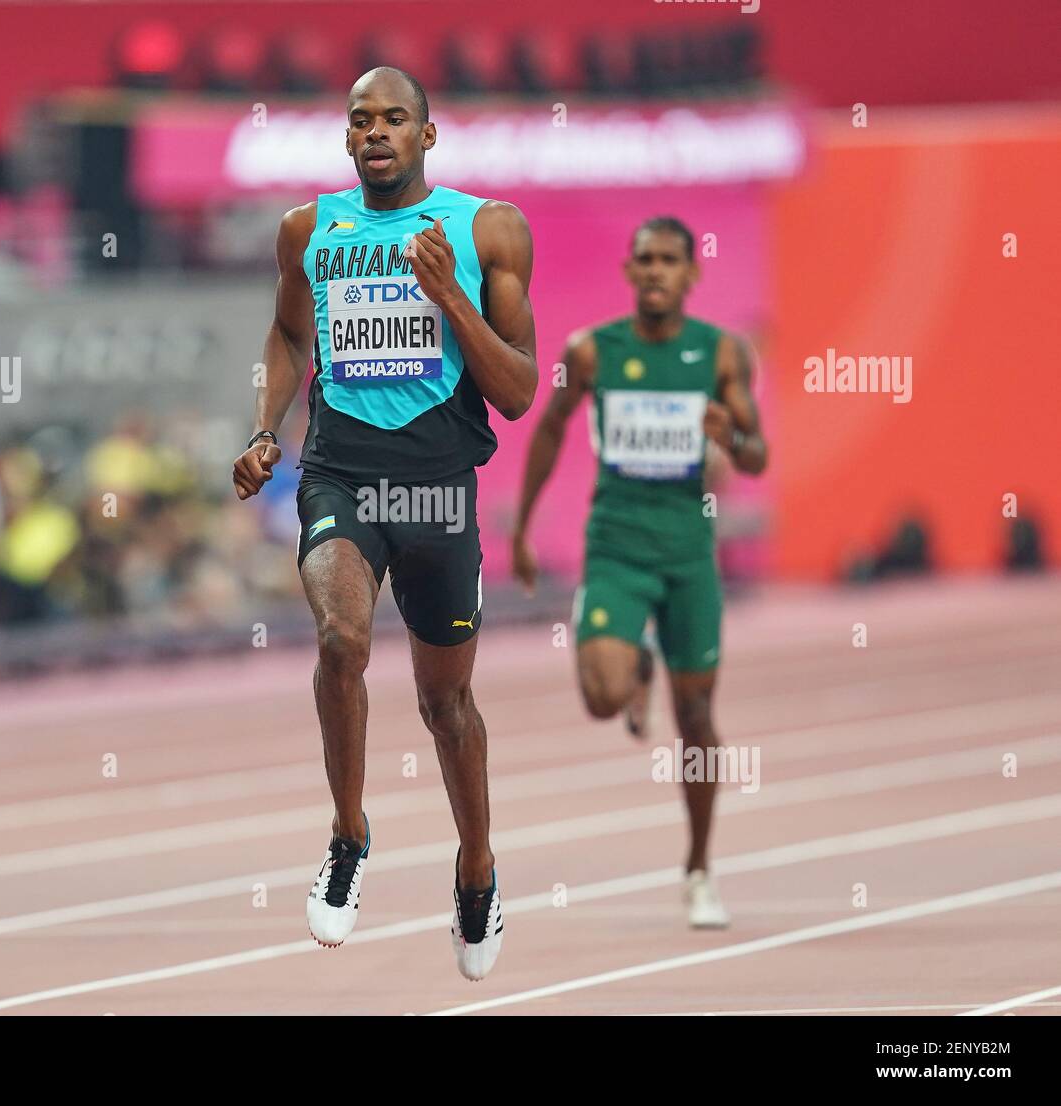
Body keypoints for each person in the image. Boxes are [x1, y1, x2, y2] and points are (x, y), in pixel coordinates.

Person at [232, 67, 537, 979]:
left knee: (446, 705)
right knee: (340, 639)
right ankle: (349, 835)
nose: (374, 133)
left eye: (393, 119)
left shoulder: (488, 230)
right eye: (359, 120)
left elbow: (519, 390)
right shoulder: (308, 229)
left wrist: (450, 297)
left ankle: (476, 870)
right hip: (341, 479)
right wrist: (263, 429)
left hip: (439, 492)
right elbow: (289, 336)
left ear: (427, 136)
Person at [512, 216, 768, 928]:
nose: (655, 271)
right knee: (600, 697)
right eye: (644, 260)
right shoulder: (593, 352)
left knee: (697, 718)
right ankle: (635, 665)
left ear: (692, 275)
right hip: (617, 549)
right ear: (629, 272)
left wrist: (733, 438)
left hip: (688, 555)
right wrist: (526, 526)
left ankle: (698, 867)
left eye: (669, 262)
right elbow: (553, 424)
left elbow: (757, 457)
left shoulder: (721, 355)